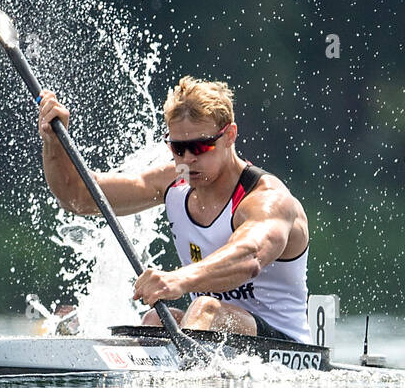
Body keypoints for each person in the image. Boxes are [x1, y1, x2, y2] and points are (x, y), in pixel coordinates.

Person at [37, 76, 311, 343]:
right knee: (154, 321)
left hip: (284, 346)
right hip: (214, 339)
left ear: (229, 135)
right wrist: (53, 142)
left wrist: (179, 279)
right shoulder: (173, 181)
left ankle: (186, 384)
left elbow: (249, 257)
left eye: (201, 146)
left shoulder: (267, 198)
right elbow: (79, 197)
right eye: (178, 148)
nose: (189, 159)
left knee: (207, 308)